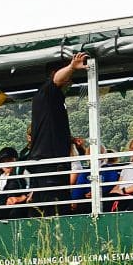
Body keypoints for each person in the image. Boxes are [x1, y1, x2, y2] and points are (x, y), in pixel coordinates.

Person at [28, 52, 88, 215]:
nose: (70, 80)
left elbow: (50, 128)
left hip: (51, 163)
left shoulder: (54, 99)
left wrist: (69, 139)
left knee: (54, 208)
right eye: (68, 76)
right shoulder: (47, 92)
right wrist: (72, 67)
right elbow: (56, 80)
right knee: (53, 211)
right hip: (48, 164)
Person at [0, 146, 35, 220]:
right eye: (4, 161)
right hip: (2, 208)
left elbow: (32, 186)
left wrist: (20, 198)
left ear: (16, 160)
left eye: (10, 160)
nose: (7, 164)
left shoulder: (21, 172)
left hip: (18, 207)